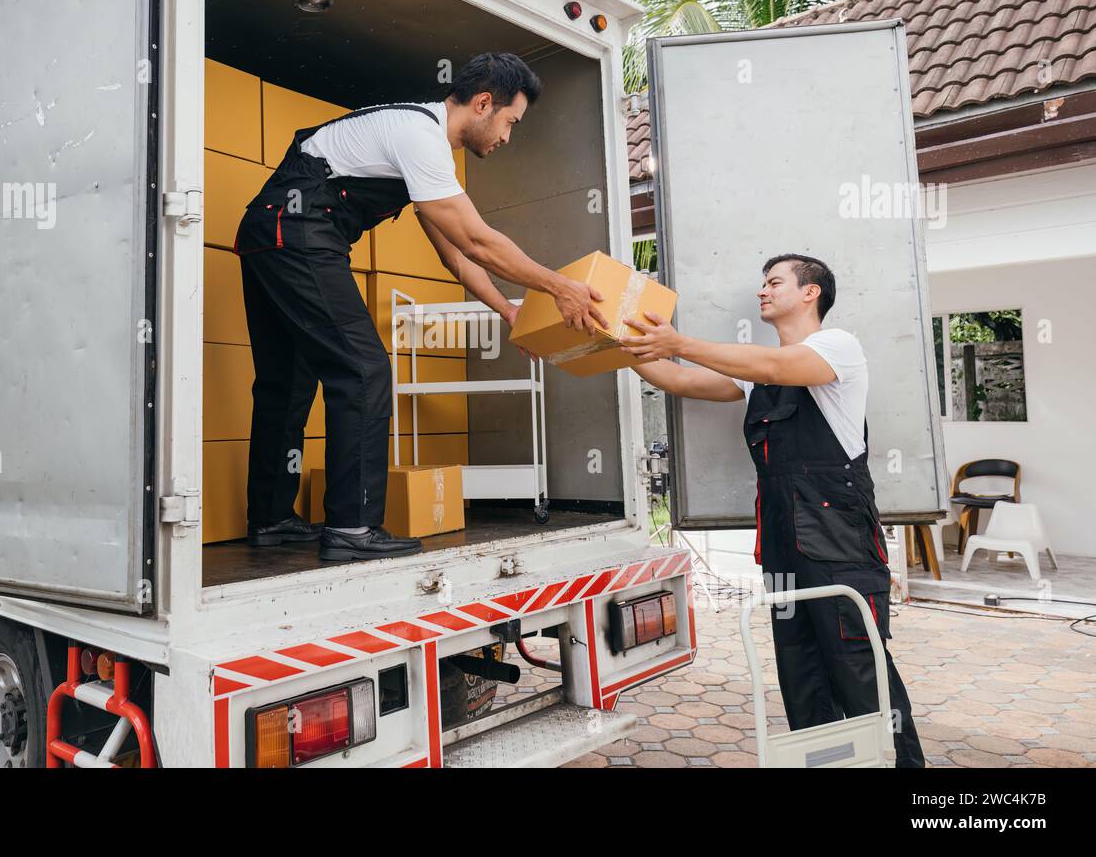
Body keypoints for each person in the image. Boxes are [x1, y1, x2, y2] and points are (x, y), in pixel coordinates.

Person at [232, 53, 607, 561]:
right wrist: (560, 286)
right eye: (510, 122)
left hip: (269, 235)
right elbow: (478, 240)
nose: (507, 137)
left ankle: (272, 518)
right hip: (297, 234)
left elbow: (454, 253)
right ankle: (353, 526)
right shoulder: (420, 135)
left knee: (288, 382)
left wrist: (508, 310)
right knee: (363, 371)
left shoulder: (420, 146)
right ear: (482, 104)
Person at [624, 253, 925, 767]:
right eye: (762, 283)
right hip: (785, 542)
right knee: (800, 668)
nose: (762, 291)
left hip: (839, 540)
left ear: (811, 293)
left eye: (774, 282)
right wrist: (619, 340)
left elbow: (776, 364)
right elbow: (677, 380)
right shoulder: (755, 376)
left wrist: (680, 342)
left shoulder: (837, 348)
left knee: (858, 667)